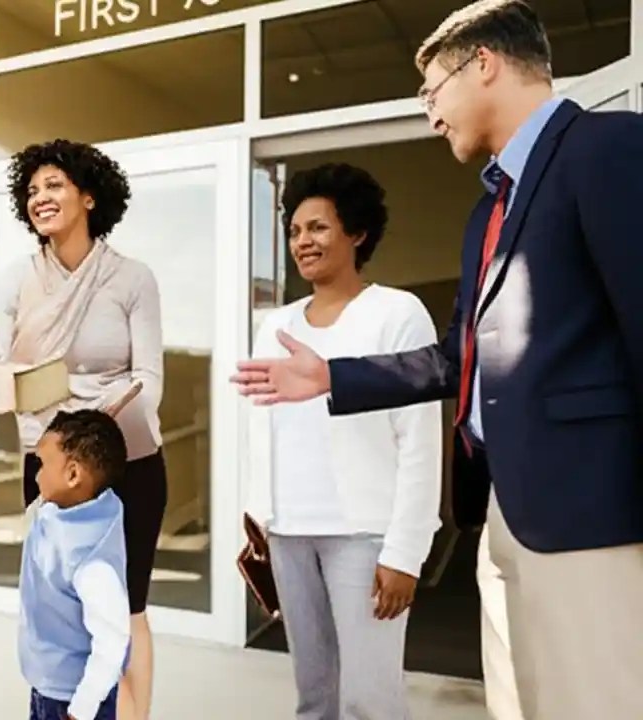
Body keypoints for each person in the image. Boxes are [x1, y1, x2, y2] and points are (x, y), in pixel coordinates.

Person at [230, 1, 643, 717]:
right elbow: (459, 359)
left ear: (483, 63)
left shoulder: (608, 149)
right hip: (506, 512)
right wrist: (331, 376)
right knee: (523, 702)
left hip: (588, 513)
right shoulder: (489, 211)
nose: (430, 116)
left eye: (431, 92)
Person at [246, 163, 442, 719]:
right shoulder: (275, 325)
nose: (302, 241)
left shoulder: (397, 313)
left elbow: (420, 441)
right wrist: (258, 515)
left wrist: (405, 553)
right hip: (289, 533)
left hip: (365, 537)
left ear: (357, 231)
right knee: (314, 698)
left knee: (369, 701)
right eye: (294, 230)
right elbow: (262, 426)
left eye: (318, 227)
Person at [0, 139, 163, 720]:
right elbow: (5, 377)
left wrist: (83, 411)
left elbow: (148, 380)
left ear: (89, 197)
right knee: (56, 604)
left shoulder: (132, 278)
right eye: (32, 189)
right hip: (48, 460)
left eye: (55, 185)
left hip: (127, 460)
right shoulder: (18, 279)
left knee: (126, 607)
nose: (40, 197)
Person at [20, 410, 131, 720]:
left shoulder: (91, 563)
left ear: (73, 475)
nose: (36, 475)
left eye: (42, 464)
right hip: (47, 683)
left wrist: (82, 709)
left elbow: (112, 640)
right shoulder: (65, 508)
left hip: (72, 700)